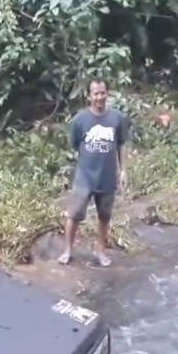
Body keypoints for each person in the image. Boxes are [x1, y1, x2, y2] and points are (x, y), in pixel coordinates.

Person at [58, 78, 129, 267]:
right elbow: (75, 144)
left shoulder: (117, 118)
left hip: (107, 176)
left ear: (107, 94)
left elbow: (121, 144)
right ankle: (68, 250)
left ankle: (100, 249)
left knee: (104, 216)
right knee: (74, 214)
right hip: (85, 177)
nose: (100, 97)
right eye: (96, 93)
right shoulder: (80, 120)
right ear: (89, 96)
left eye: (102, 93)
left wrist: (123, 170)